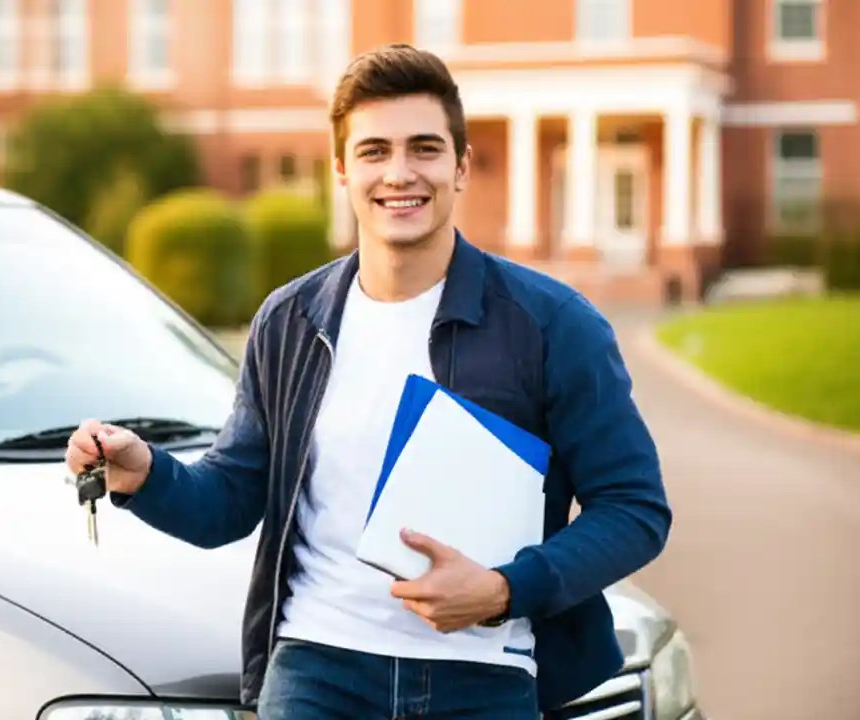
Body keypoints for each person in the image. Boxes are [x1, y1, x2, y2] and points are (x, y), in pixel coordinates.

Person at [66, 43, 671, 719]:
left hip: (483, 675)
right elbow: (231, 500)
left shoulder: (552, 324)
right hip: (318, 670)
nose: (400, 174)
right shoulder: (290, 322)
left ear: (461, 165)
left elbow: (633, 508)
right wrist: (146, 472)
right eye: (375, 151)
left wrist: (505, 588)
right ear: (341, 169)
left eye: (425, 149)